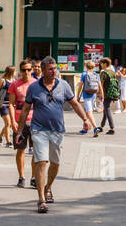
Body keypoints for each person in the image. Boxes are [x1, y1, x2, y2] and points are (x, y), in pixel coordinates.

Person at [24, 56, 95, 213]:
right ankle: (41, 199)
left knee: (55, 164)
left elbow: (74, 103)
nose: (54, 71)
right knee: (42, 162)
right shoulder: (34, 87)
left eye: (55, 68)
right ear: (43, 71)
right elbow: (26, 109)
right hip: (38, 129)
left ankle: (48, 187)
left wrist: (85, 118)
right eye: (50, 69)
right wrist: (19, 129)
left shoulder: (63, 85)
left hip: (57, 130)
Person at [10, 59, 34, 187]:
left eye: (29, 69)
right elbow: (11, 104)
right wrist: (13, 121)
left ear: (32, 70)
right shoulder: (15, 84)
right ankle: (21, 177)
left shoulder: (36, 84)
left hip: (35, 122)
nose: (26, 72)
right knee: (20, 150)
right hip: (20, 122)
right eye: (24, 70)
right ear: (20, 71)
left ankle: (34, 177)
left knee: (36, 151)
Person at [0, 66, 15, 146]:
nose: (15, 73)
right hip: (2, 104)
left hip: (11, 104)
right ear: (11, 72)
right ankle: (8, 142)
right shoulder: (3, 81)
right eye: (14, 71)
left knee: (10, 124)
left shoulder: (14, 81)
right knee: (8, 123)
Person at [97, 57, 120, 134]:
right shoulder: (112, 72)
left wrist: (99, 93)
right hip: (112, 93)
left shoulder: (103, 72)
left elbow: (101, 84)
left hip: (106, 93)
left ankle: (112, 128)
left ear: (105, 64)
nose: (100, 65)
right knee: (105, 110)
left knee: (107, 109)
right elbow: (114, 84)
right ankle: (101, 126)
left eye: (101, 63)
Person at [79, 60, 101, 134]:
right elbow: (100, 86)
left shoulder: (84, 74)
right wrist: (102, 95)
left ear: (86, 66)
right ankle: (85, 128)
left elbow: (80, 85)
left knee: (89, 112)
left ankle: (95, 128)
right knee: (87, 112)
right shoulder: (96, 74)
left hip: (86, 95)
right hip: (93, 94)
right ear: (94, 67)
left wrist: (78, 94)